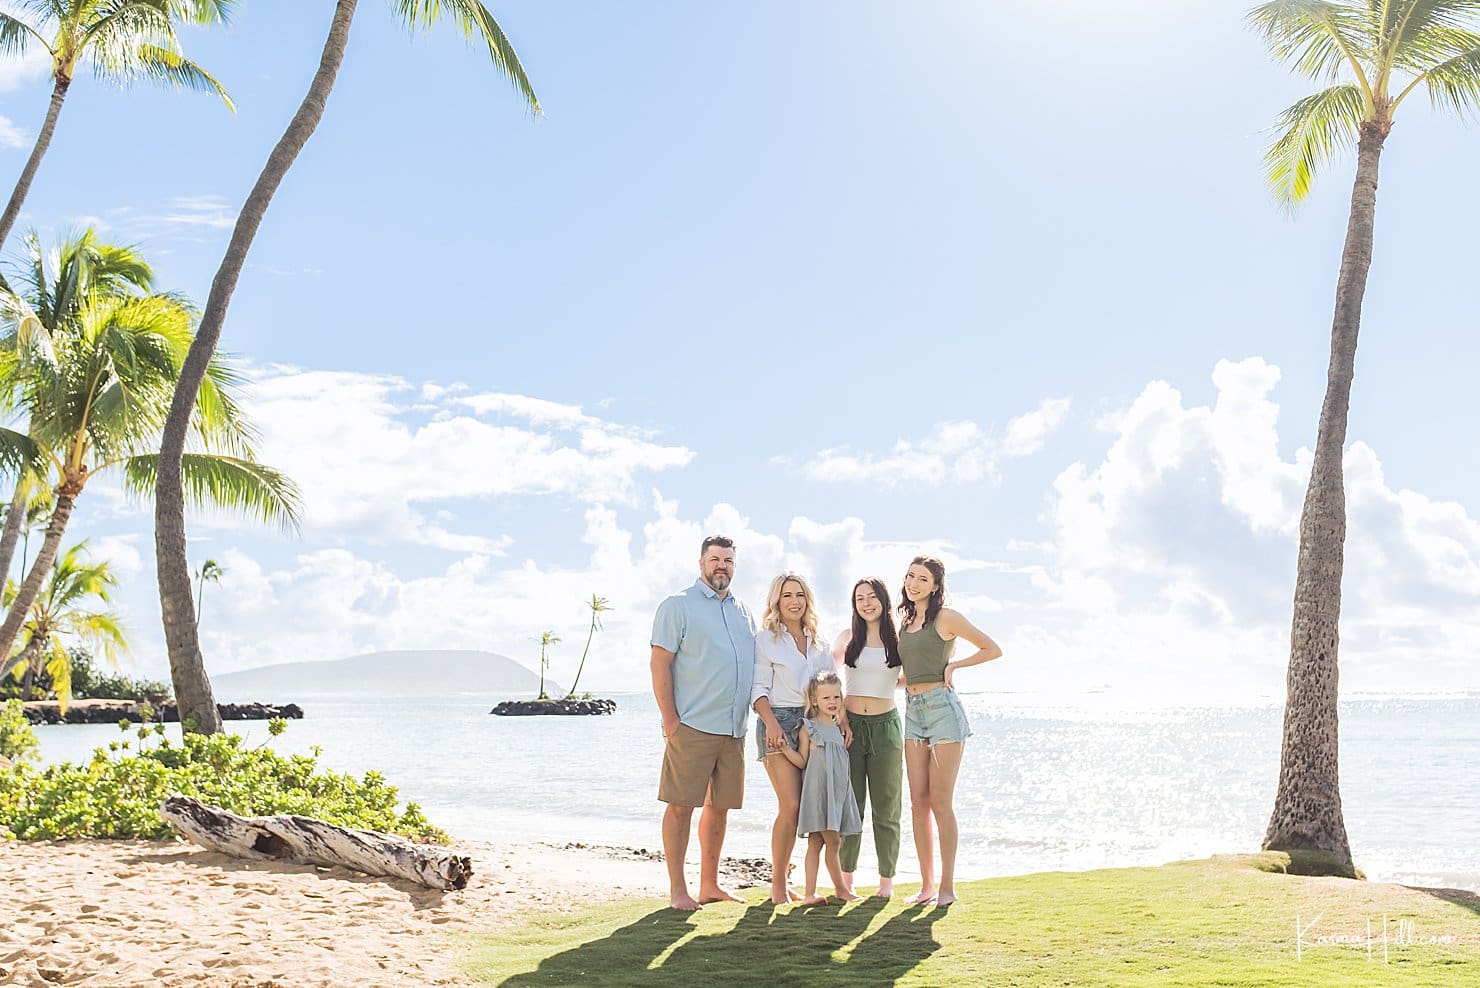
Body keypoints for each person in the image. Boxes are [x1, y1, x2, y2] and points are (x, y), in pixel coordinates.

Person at [650, 535, 758, 911]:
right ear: (701, 563)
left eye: (728, 560)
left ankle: (709, 885)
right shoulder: (678, 606)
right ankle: (678, 891)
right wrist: (670, 720)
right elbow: (659, 662)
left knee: (719, 808)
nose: (721, 566)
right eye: (715, 559)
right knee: (680, 806)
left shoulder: (745, 611)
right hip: (692, 726)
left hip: (734, 730)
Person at [898, 555, 1002, 906]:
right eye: (911, 576)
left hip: (943, 711)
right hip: (913, 712)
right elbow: (910, 673)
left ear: (936, 585)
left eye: (922, 579)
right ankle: (925, 886)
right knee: (917, 803)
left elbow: (992, 649)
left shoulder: (946, 617)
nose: (914, 583)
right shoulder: (907, 618)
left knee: (941, 802)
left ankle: (946, 887)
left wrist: (955, 665)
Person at [751, 571, 837, 904]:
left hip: (813, 725)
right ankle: (777, 885)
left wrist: (837, 721)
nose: (794, 601)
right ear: (777, 601)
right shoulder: (765, 639)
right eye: (787, 595)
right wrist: (771, 724)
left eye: (799, 594)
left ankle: (809, 886)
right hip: (778, 722)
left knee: (811, 808)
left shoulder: (820, 641)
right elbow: (758, 690)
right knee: (791, 805)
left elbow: (830, 686)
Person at [832, 577, 904, 899]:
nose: (866, 603)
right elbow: (828, 678)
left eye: (872, 597)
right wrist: (839, 716)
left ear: (883, 600)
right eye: (859, 598)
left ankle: (886, 883)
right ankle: (846, 881)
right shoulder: (847, 638)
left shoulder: (898, 640)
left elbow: (911, 677)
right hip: (850, 728)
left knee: (887, 809)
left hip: (886, 728)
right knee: (851, 807)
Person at [778, 670, 861, 905]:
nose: (832, 702)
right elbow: (802, 761)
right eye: (826, 698)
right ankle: (840, 889)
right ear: (815, 701)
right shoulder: (809, 728)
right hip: (818, 792)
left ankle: (809, 894)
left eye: (836, 697)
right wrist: (785, 749)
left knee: (817, 842)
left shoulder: (838, 729)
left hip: (836, 792)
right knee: (832, 842)